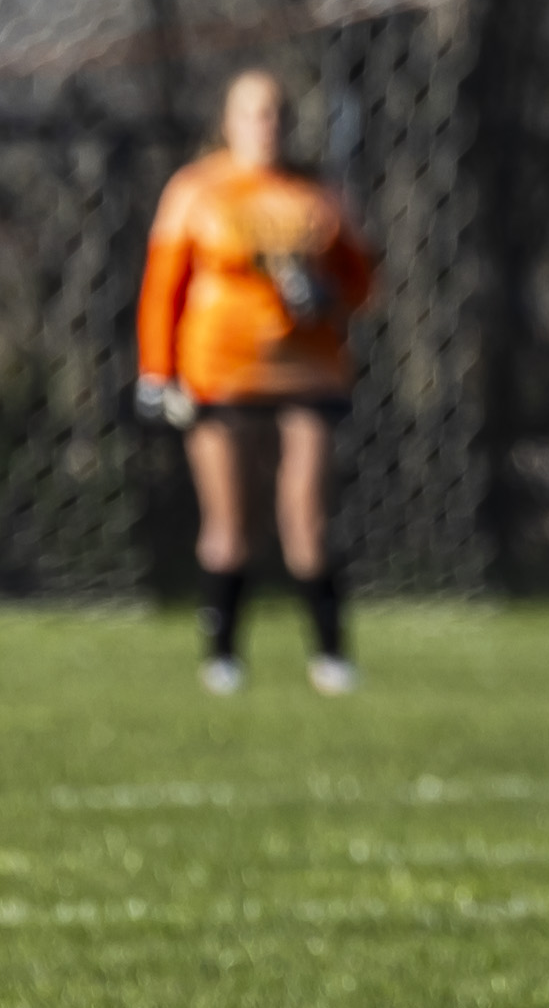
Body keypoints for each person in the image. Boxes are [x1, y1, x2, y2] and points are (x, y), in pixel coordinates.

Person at [135, 68, 378, 696]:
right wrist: (156, 371)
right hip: (219, 372)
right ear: (228, 122)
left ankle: (331, 656)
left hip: (308, 370)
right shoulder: (196, 190)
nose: (266, 125)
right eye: (253, 113)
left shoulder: (317, 193)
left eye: (276, 113)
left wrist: (325, 294)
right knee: (229, 521)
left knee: (307, 519)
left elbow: (360, 283)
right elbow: (164, 287)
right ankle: (222, 658)